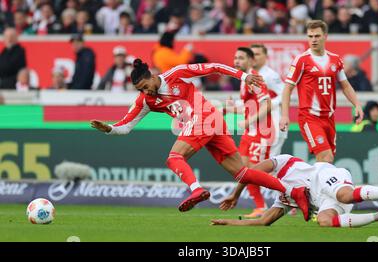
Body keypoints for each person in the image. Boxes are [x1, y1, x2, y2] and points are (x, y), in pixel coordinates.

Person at [90, 59, 310, 216]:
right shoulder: (145, 101)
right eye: (141, 90)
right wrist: (108, 128)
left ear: (153, 76)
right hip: (207, 124)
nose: (146, 92)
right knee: (242, 173)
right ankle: (294, 191)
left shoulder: (176, 73)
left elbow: (214, 67)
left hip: (205, 116)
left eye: (146, 87)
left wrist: (243, 75)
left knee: (174, 157)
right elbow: (125, 126)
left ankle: (196, 189)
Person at [211, 154, 378, 227]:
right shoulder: (283, 197)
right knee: (324, 221)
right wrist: (228, 223)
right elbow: (264, 221)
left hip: (324, 177)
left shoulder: (283, 162)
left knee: (345, 195)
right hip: (324, 201)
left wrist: (235, 194)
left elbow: (251, 172)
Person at [280, 20, 364, 164]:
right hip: (310, 117)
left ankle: (312, 185)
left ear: (325, 36)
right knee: (325, 157)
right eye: (310, 36)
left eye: (317, 36)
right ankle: (312, 186)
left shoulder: (335, 60)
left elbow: (345, 85)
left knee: (327, 162)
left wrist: (357, 104)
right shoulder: (301, 60)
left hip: (329, 118)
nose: (313, 40)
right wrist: (285, 115)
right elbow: (287, 88)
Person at [225, 47, 273, 219]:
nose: (237, 61)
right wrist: (231, 110)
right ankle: (260, 207)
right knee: (244, 171)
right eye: (235, 57)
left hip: (260, 132)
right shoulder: (244, 80)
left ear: (251, 61)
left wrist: (248, 121)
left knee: (255, 172)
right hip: (250, 133)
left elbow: (267, 105)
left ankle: (292, 194)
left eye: (241, 58)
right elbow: (249, 108)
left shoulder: (255, 79)